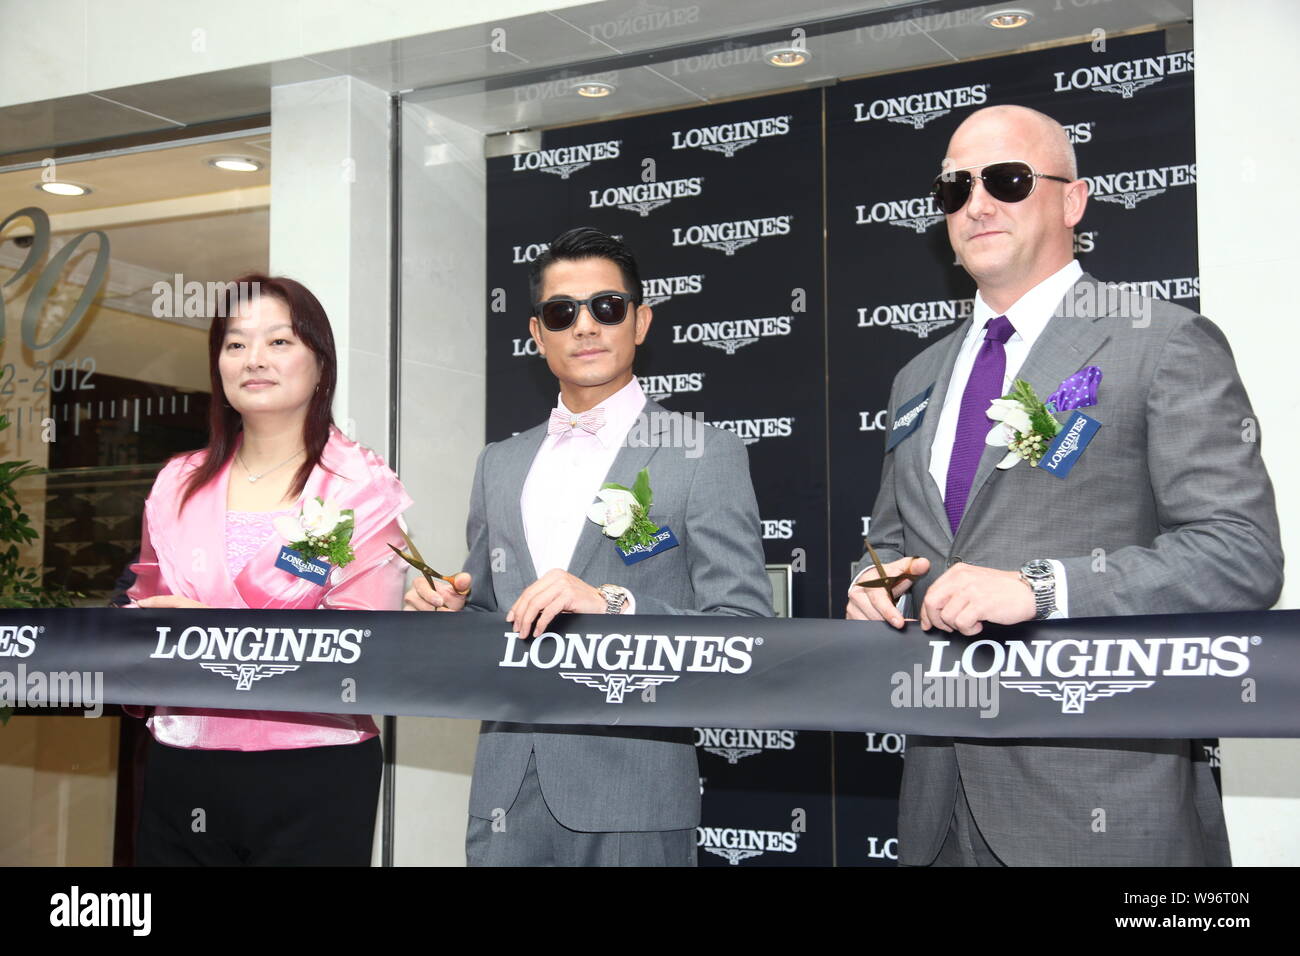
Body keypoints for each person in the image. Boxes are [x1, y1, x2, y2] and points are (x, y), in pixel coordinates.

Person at [846, 104, 1283, 866]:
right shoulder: (917, 377)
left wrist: (1043, 590)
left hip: (1097, 801)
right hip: (936, 801)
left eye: (1007, 179)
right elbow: (894, 545)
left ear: (1073, 201)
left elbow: (1239, 555)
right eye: (955, 188)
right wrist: (875, 583)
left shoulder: (1163, 340)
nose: (977, 203)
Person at [405, 227, 772, 866]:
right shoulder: (499, 463)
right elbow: (490, 613)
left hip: (635, 791)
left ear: (641, 321)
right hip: (504, 791)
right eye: (561, 312)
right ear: (536, 333)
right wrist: (447, 613)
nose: (585, 326)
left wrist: (613, 602)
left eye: (607, 307)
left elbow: (742, 632)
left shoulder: (704, 453)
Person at [125, 274, 411, 866]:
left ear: (320, 363)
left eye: (279, 342)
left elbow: (364, 646)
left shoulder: (360, 489)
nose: (254, 359)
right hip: (185, 755)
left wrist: (210, 629)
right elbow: (145, 614)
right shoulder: (177, 481)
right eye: (235, 344)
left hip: (313, 764)